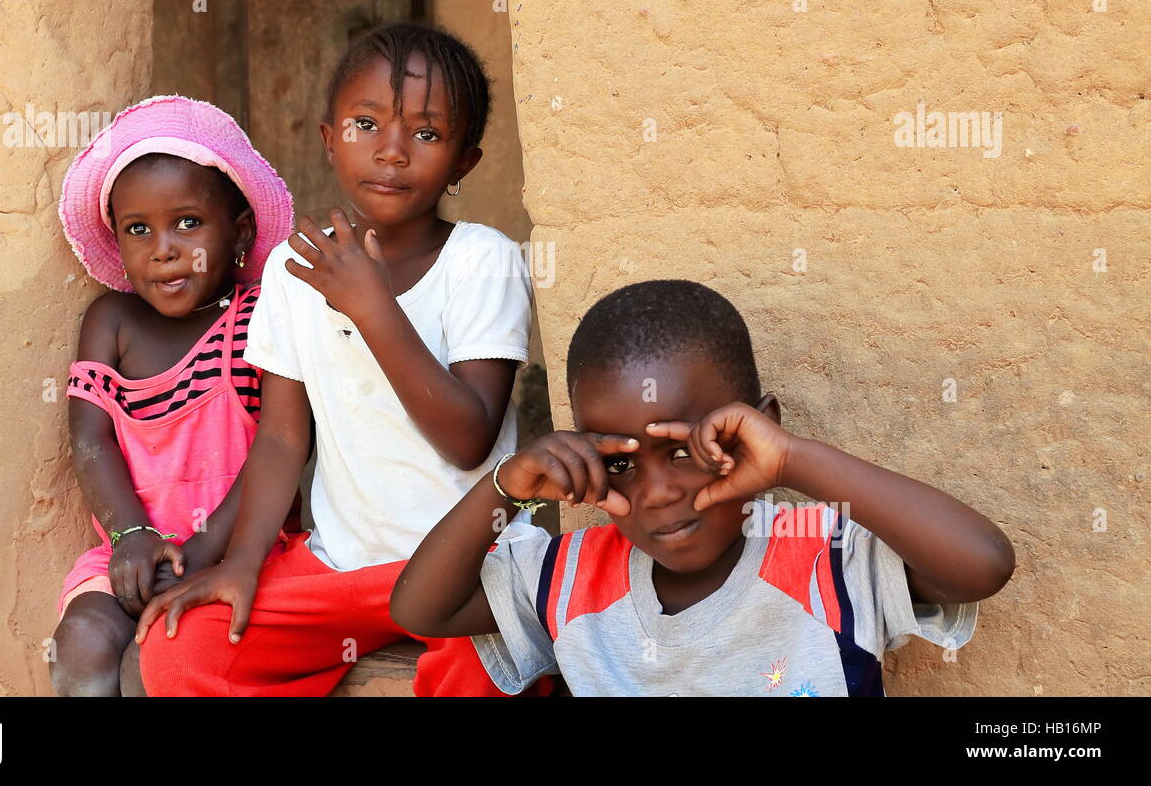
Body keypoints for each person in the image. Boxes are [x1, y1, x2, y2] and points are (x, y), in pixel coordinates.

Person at [137, 23, 550, 696]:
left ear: (464, 162)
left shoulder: (484, 261)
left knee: (489, 664)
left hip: (470, 570)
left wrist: (372, 307)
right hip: (339, 570)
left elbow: (469, 437)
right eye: (366, 124)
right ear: (329, 140)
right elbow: (281, 438)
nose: (391, 153)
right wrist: (242, 562)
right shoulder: (292, 270)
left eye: (425, 134)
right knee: (183, 650)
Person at [391, 279, 1016, 696]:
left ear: (758, 429)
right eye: (623, 463)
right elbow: (421, 610)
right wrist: (506, 485)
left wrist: (794, 462)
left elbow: (981, 565)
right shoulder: (570, 579)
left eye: (686, 451)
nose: (658, 492)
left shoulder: (823, 557)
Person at [51, 94, 297, 696]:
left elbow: (282, 444)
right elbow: (91, 438)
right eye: (139, 229)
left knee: (162, 655)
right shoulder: (111, 321)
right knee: (81, 639)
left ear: (239, 233)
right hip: (130, 551)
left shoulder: (259, 320)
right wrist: (132, 536)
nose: (163, 247)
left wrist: (206, 550)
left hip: (244, 554)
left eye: (188, 222)